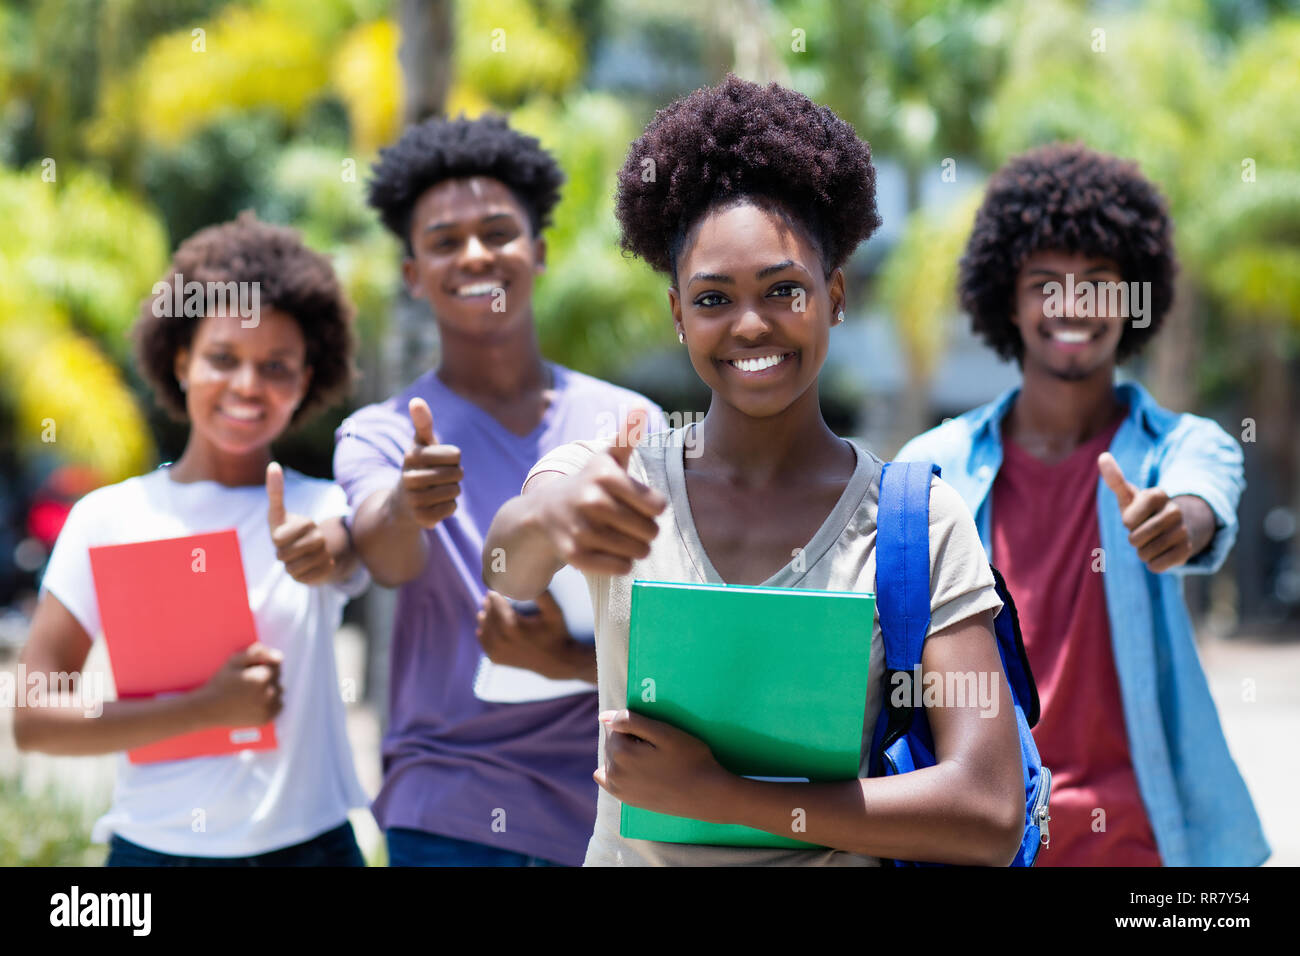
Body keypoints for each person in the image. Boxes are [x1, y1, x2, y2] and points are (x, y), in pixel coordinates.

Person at [483, 75, 1025, 866]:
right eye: (712, 299)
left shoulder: (915, 520)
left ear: (834, 296)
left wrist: (723, 797)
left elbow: (987, 807)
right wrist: (552, 517)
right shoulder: (611, 477)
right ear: (677, 314)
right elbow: (507, 568)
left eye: (783, 290)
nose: (749, 325)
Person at [896, 142, 1270, 866]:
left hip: (1137, 844)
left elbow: (1200, 500)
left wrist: (1176, 523)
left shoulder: (1185, 447)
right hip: (980, 837)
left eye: (1099, 282)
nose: (1073, 305)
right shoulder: (928, 468)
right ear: (1008, 296)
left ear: (1136, 300)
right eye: (1045, 282)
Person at [334, 114, 664, 867]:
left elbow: (670, 620)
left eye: (497, 232)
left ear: (539, 252)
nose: (475, 254)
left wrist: (565, 661)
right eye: (444, 242)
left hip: (615, 811)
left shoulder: (628, 424)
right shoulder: (380, 434)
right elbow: (385, 558)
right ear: (413, 275)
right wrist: (406, 504)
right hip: (448, 805)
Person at [13, 212, 372, 866]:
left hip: (310, 851)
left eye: (276, 366)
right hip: (155, 854)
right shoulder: (106, 518)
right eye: (222, 358)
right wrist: (208, 707)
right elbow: (34, 719)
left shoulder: (328, 507)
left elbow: (370, 547)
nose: (246, 385)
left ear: (306, 379)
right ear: (181, 361)